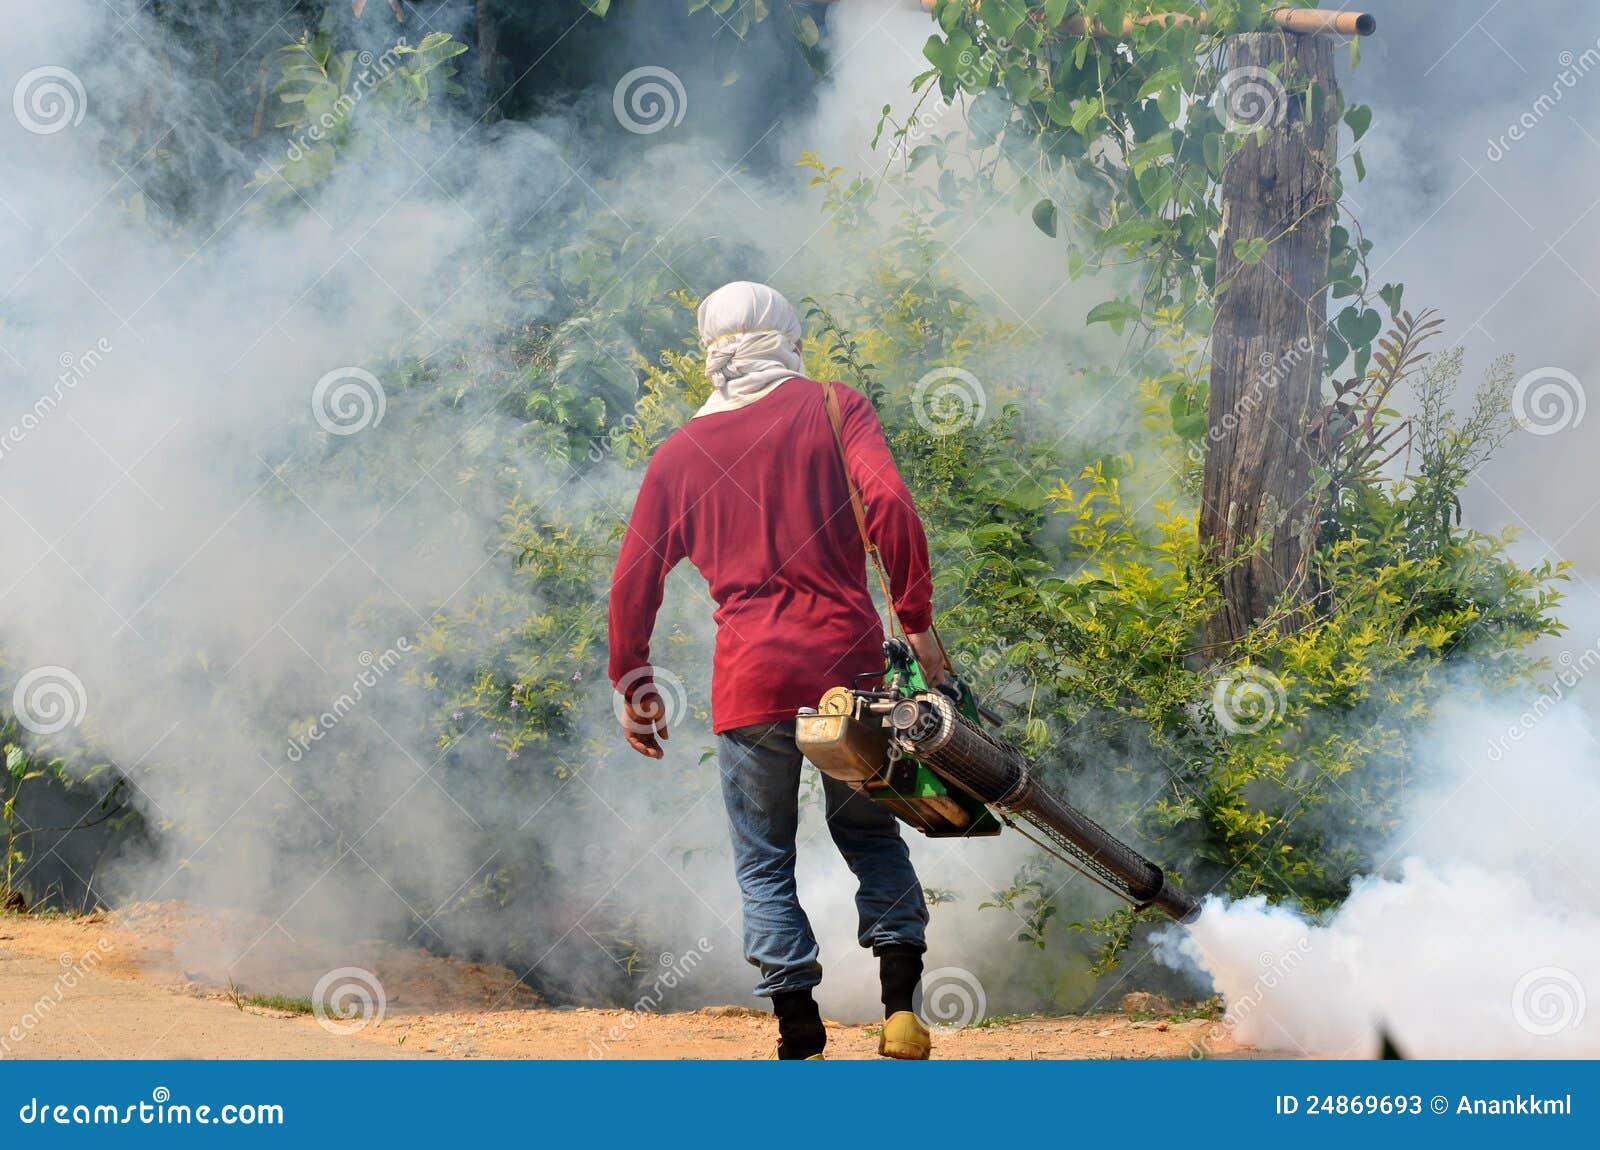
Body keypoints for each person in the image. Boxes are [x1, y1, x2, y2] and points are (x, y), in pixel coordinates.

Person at [607, 281, 946, 1060]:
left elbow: (635, 580)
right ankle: (900, 1013)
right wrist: (916, 620)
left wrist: (634, 679)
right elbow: (889, 503)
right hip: (847, 674)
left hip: (749, 686)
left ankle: (798, 1027)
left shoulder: (677, 456)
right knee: (870, 837)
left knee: (765, 860)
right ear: (788, 335)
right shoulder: (834, 407)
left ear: (710, 348)